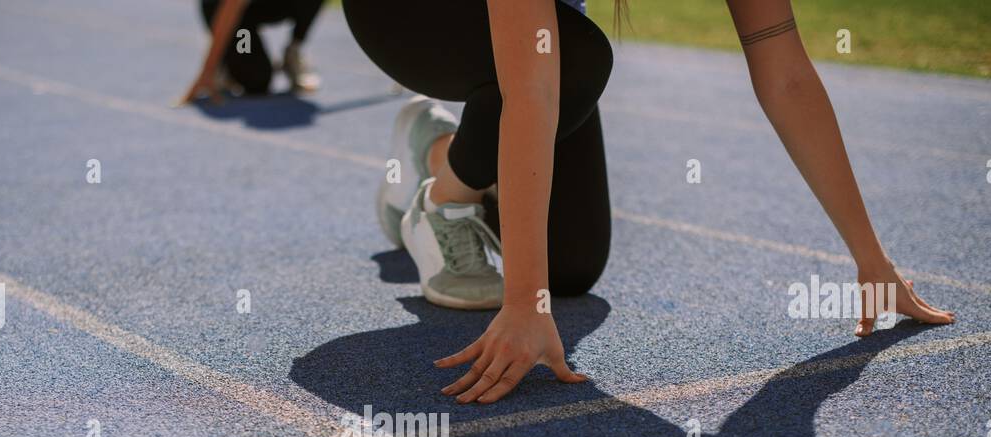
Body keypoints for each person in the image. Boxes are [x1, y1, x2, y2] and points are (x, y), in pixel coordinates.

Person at [347, 0, 954, 405]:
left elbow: (787, 76)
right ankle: (446, 196)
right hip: (404, 14)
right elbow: (532, 88)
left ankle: (438, 151)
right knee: (575, 58)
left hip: (550, 36)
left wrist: (871, 261)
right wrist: (525, 302)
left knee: (571, 267)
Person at [181, 0, 323, 104]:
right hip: (225, 10)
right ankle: (226, 61)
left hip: (258, 6)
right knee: (257, 79)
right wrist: (208, 70)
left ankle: (293, 52)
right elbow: (232, 6)